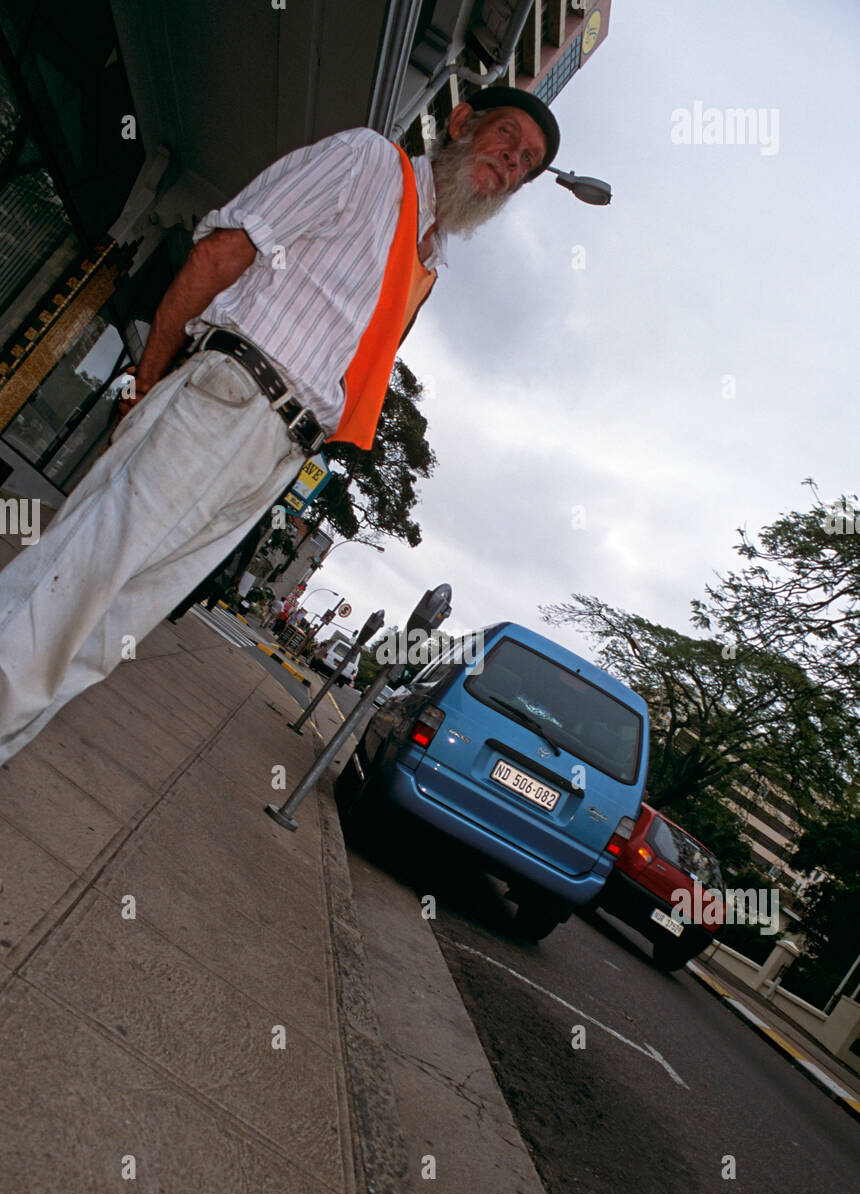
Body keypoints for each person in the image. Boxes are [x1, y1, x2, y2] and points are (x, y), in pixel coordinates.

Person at [0, 87, 559, 765]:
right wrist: (145, 379)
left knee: (102, 640)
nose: (512, 163)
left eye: (527, 163)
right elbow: (221, 252)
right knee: (63, 598)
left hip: (279, 453)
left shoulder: (428, 264)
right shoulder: (368, 162)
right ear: (463, 121)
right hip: (228, 399)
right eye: (507, 137)